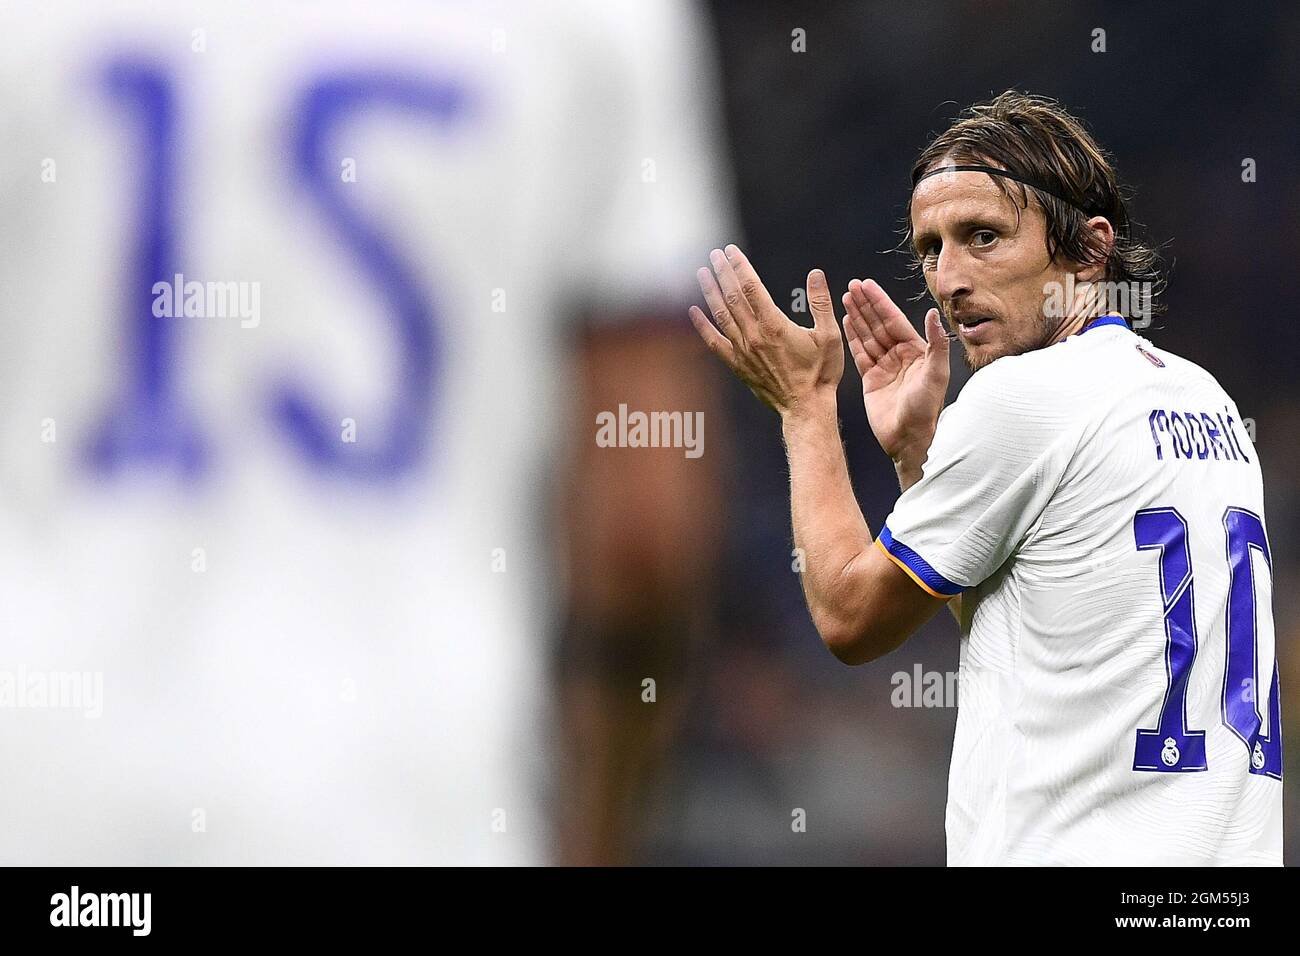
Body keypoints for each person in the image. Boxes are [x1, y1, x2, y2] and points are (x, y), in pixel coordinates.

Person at [0, 0, 733, 864]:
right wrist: (598, 824)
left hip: (48, 782)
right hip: (411, 785)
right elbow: (643, 533)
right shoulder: (600, 22)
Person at [688, 91, 1282, 865]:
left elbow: (850, 617)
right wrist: (920, 459)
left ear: (1089, 249)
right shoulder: (1208, 402)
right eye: (931, 248)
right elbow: (1041, 618)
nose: (949, 278)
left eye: (983, 237)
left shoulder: (1021, 397)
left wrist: (804, 407)